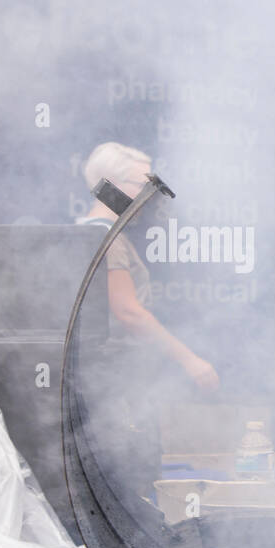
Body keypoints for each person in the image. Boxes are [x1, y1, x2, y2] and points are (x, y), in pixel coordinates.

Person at [76, 142, 220, 394]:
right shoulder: (107, 238)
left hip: (104, 371)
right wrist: (189, 359)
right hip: (114, 375)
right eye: (142, 185)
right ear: (110, 183)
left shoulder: (89, 229)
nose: (148, 196)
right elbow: (128, 311)